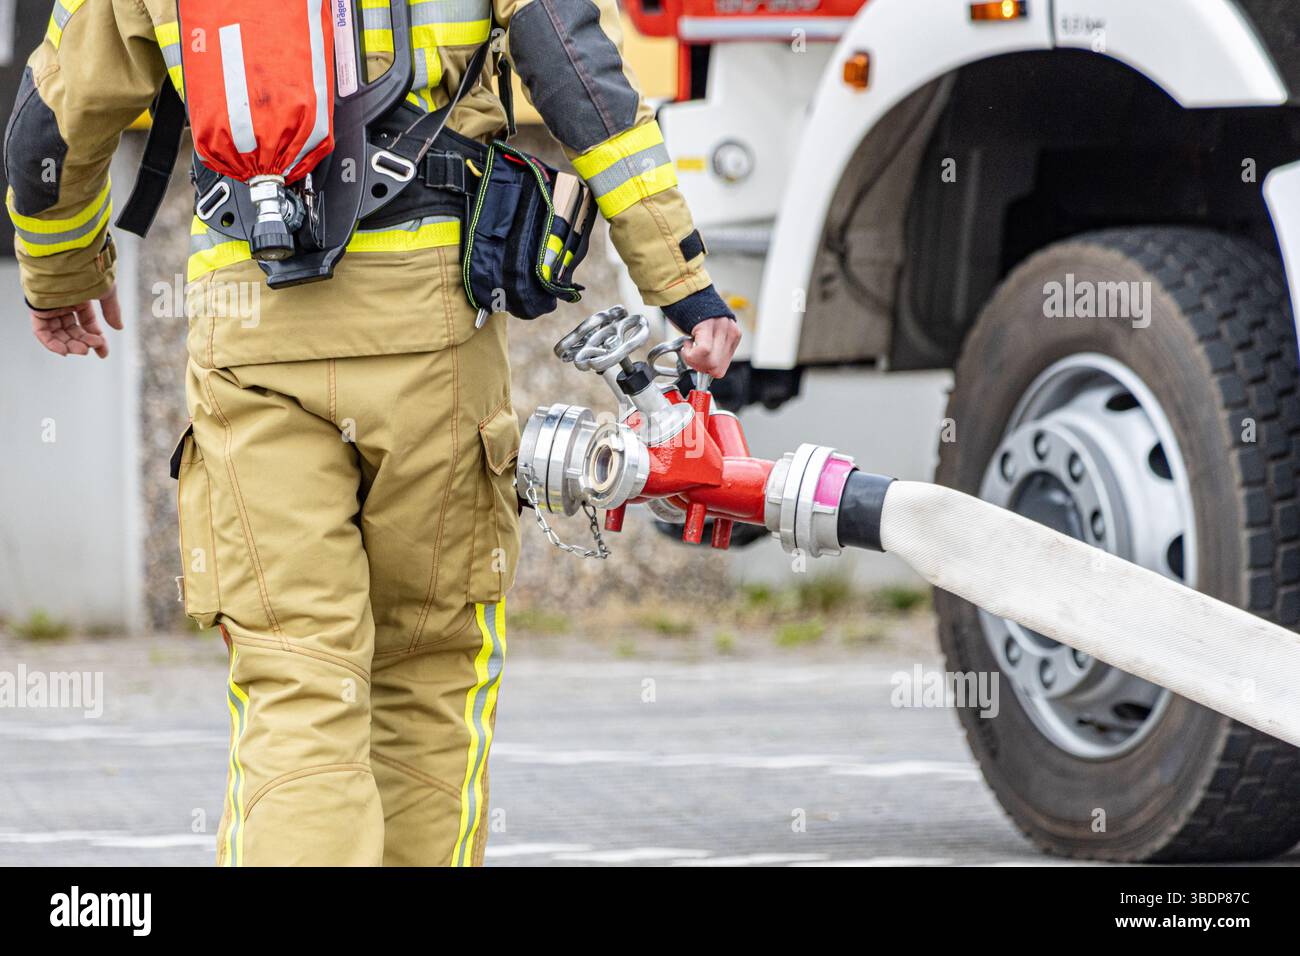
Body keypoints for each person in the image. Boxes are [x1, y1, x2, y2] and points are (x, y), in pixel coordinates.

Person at [5, 0, 740, 866]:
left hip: (251, 336)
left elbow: (50, 127)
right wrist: (680, 282)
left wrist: (59, 273)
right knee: (426, 675)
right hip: (426, 334)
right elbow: (580, 75)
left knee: (296, 681)